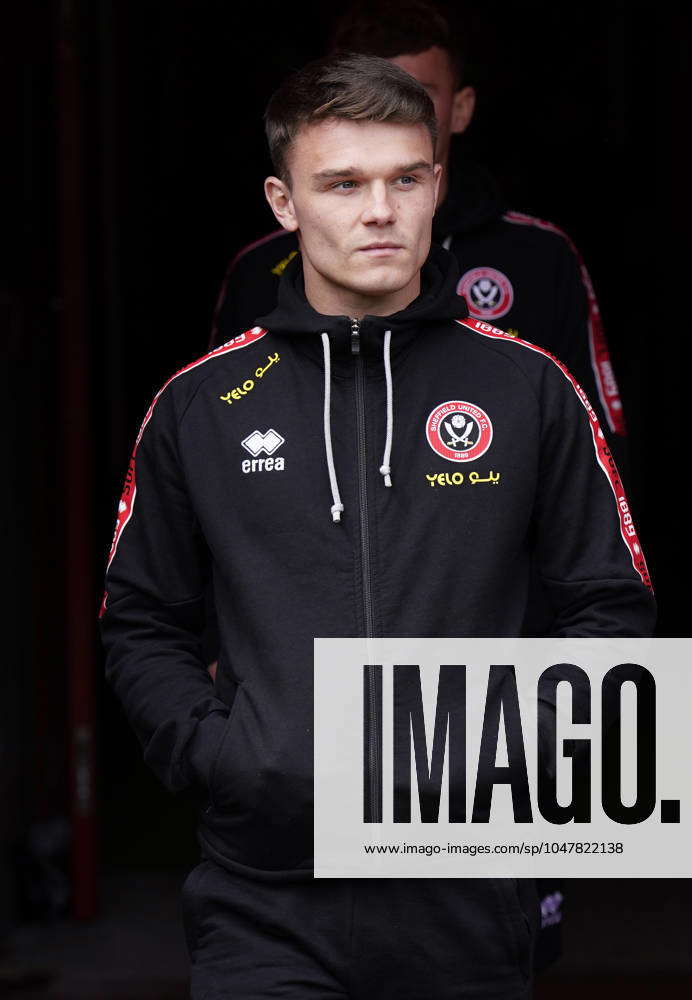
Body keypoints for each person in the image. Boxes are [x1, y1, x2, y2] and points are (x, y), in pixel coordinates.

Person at [100, 54, 655, 999]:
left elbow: (609, 606)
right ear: (283, 203)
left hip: (469, 895)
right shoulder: (202, 406)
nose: (379, 210)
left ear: (438, 183)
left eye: (405, 178)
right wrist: (222, 755)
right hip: (264, 895)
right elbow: (140, 618)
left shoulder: (529, 390)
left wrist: (505, 763)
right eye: (342, 183)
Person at [210, 1, 627, 462]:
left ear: (461, 107)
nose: (381, 112)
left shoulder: (540, 257)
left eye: (414, 95)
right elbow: (219, 429)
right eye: (345, 185)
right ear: (281, 203)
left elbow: (593, 450)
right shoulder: (255, 275)